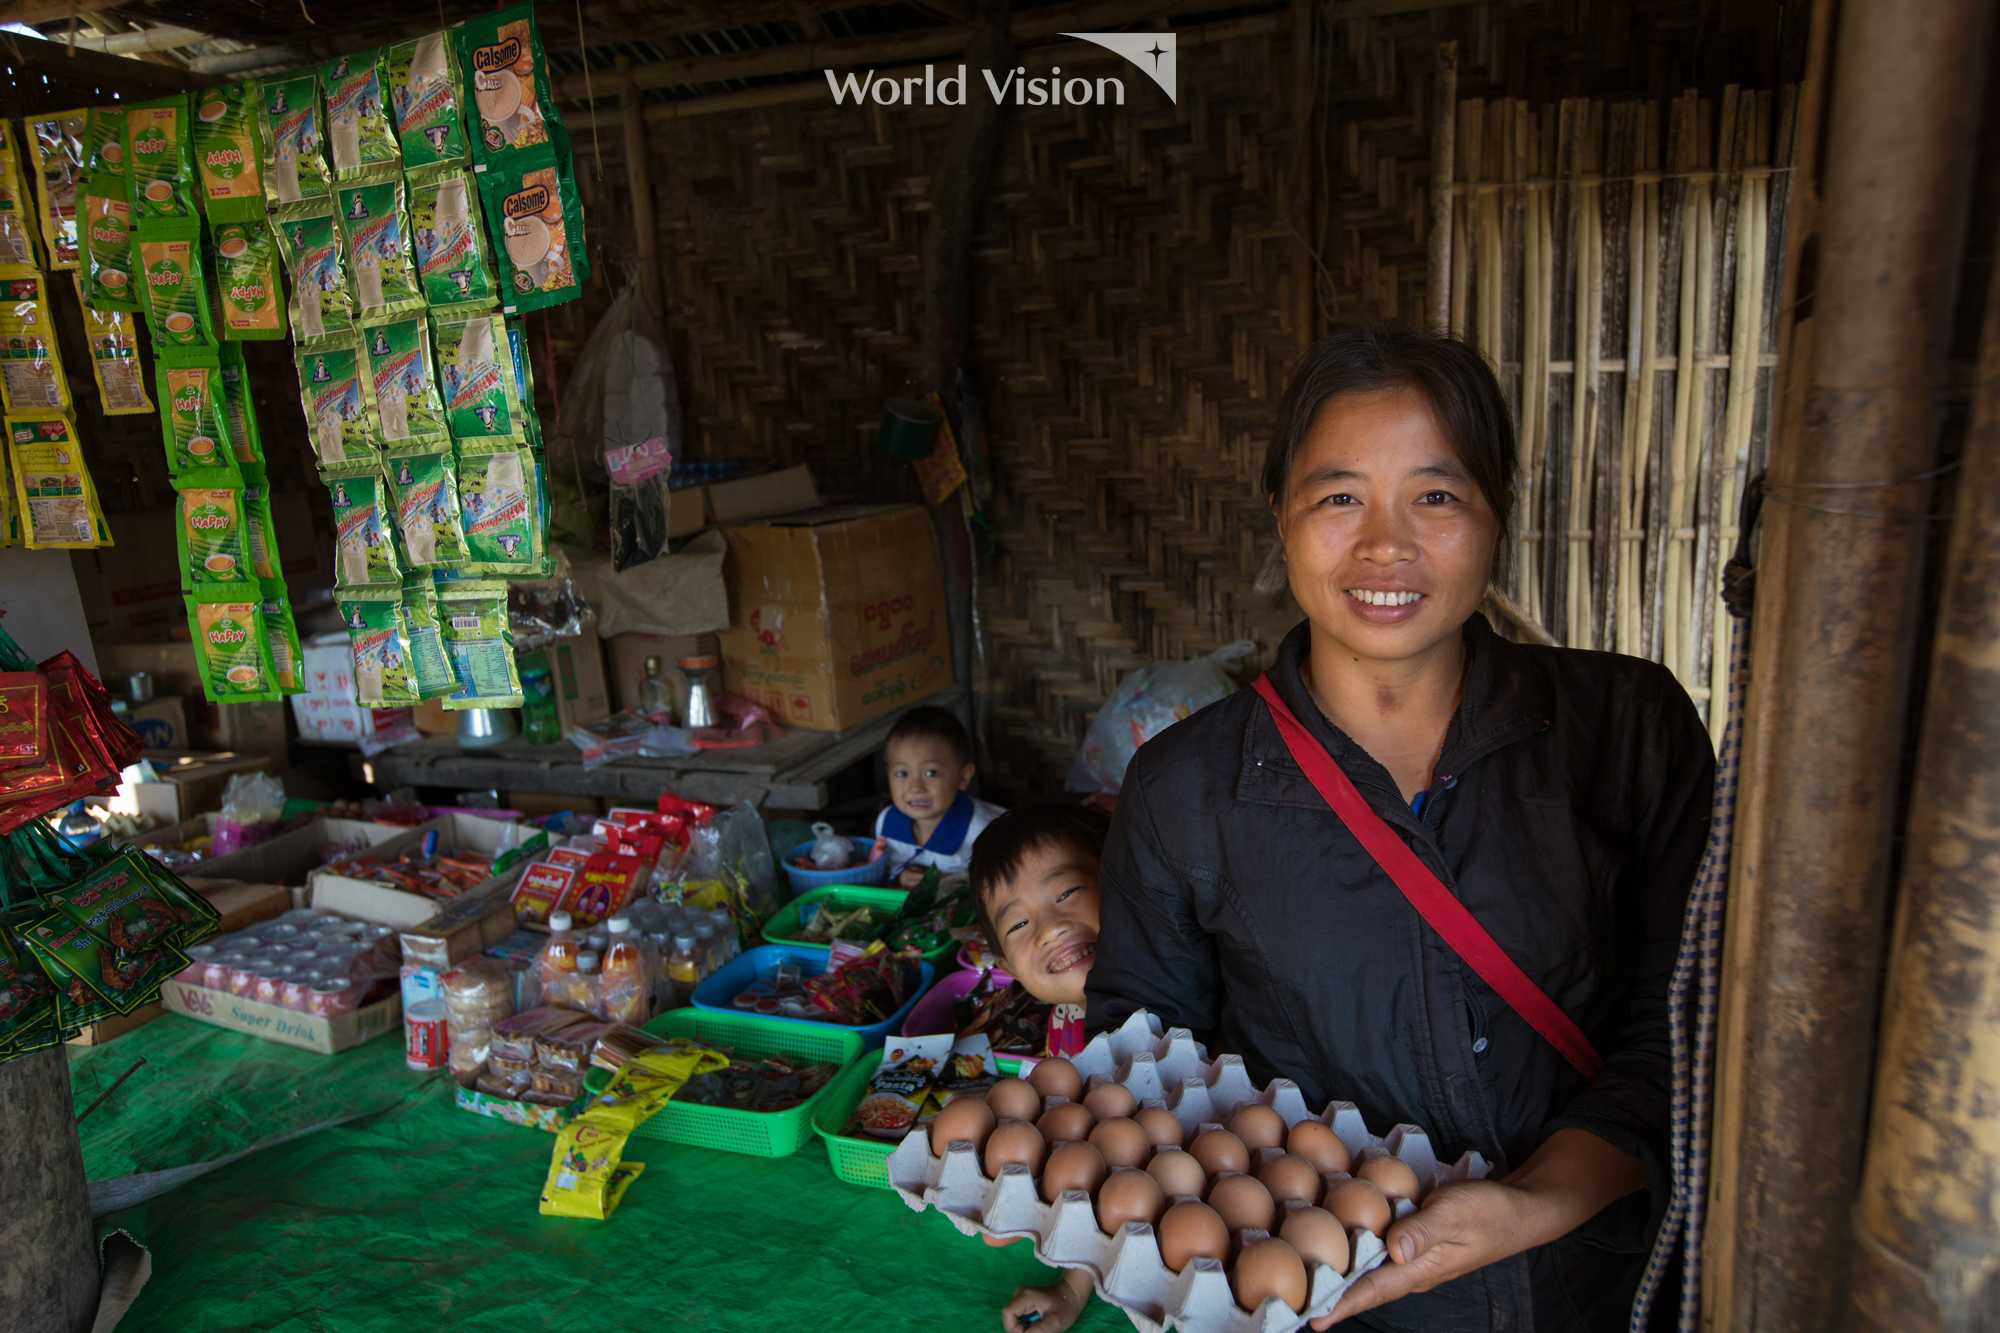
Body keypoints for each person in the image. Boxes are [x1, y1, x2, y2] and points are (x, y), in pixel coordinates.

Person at [1085, 325, 1715, 1331]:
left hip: (1608, 1287)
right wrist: (1081, 1209)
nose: (1384, 544)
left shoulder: (1626, 731)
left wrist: (1538, 1199)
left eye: (1435, 495)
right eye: (1339, 496)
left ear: (1496, 513)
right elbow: (1145, 1057)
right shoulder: (1182, 791)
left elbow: (1691, 1012)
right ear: (1278, 515)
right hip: (1335, 1307)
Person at [965, 800, 1111, 1333]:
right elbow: (1095, 1170)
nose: (1050, 927)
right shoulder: (1064, 1031)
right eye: (1021, 923)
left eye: (1067, 892)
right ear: (1006, 969)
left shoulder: (1188, 999)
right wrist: (1072, 1290)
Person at [874, 706, 1004, 887]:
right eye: (902, 774)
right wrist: (901, 876)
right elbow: (887, 867)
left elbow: (1005, 884)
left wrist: (953, 883)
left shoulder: (986, 833)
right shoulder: (887, 823)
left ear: (963, 777)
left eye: (931, 773)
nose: (915, 788)